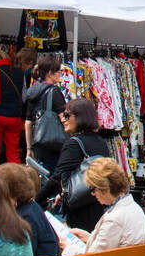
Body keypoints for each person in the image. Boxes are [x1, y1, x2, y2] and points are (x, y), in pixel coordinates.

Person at [35, 98, 114, 231]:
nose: (62, 119)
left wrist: (37, 199)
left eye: (67, 115)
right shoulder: (100, 141)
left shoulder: (74, 143)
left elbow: (59, 175)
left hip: (80, 206)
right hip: (98, 202)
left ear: (80, 117)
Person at [0, 45, 27, 170]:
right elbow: (24, 97)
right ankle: (15, 183)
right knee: (13, 153)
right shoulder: (19, 73)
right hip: (15, 118)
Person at [23, 53, 67, 170]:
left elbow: (28, 123)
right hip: (54, 143)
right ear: (50, 73)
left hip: (38, 141)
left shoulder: (32, 91)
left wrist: (29, 148)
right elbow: (63, 119)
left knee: (40, 174)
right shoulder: (55, 91)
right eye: (58, 72)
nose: (59, 75)